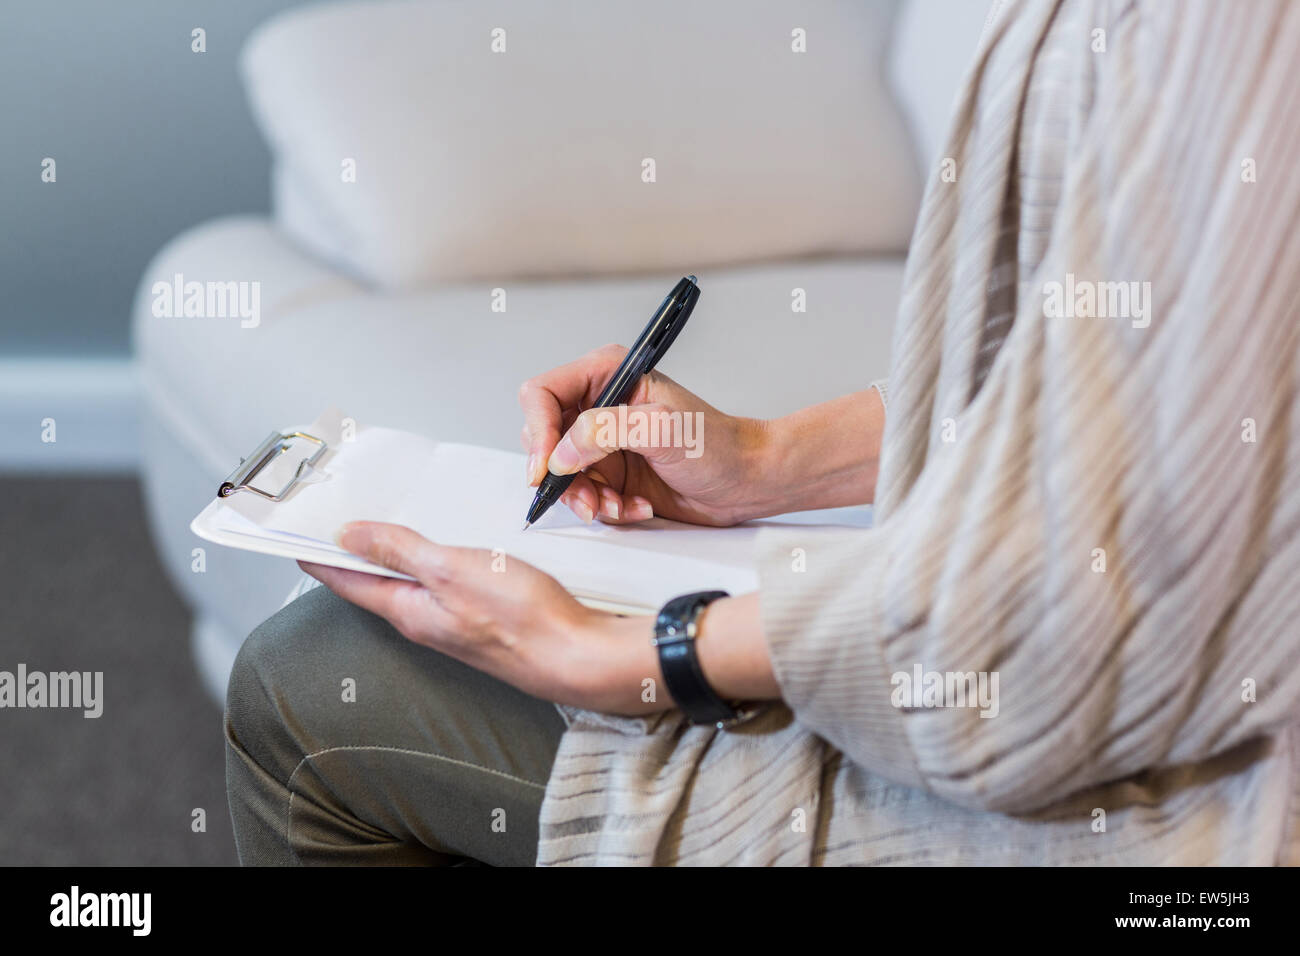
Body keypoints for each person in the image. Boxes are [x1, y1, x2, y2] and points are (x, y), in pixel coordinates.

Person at [225, 0, 1300, 865]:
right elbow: (1134, 402)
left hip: (1211, 800)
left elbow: (1032, 638)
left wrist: (642, 652)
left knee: (312, 685)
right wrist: (768, 461)